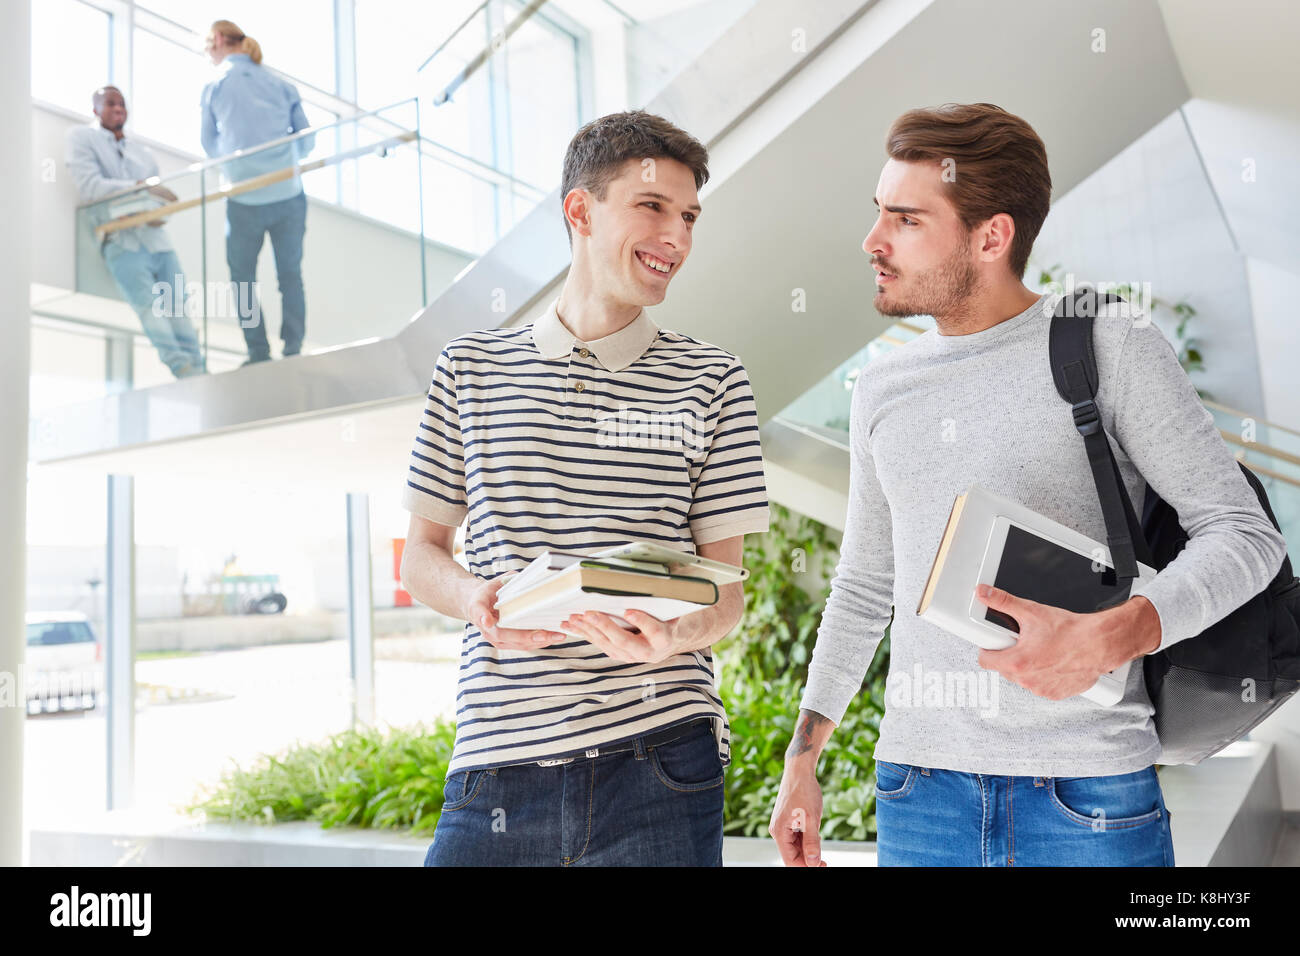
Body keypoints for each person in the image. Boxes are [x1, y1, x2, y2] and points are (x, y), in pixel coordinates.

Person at [769, 102, 1289, 868]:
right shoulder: (880, 388)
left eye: (906, 220)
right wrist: (802, 756)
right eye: (878, 212)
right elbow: (863, 584)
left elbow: (1244, 535)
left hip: (1086, 797)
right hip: (919, 794)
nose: (872, 242)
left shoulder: (1106, 343)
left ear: (991, 236)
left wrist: (1125, 629)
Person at [398, 110, 770, 866]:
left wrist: (676, 634)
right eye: (654, 207)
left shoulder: (714, 380)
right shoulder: (468, 368)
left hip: (661, 757)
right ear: (580, 211)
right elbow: (422, 556)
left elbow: (726, 594)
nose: (678, 238)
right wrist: (473, 598)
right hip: (498, 763)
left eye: (690, 217)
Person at [65, 86, 203, 380]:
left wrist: (145, 195)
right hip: (121, 242)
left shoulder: (142, 152)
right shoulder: (81, 139)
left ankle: (199, 368)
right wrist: (138, 188)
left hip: (157, 242)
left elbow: (155, 192)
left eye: (122, 105)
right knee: (149, 309)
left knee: (178, 305)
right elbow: (91, 187)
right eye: (110, 104)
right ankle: (183, 369)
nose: (118, 109)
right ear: (96, 109)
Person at [201, 19, 315, 365]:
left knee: (243, 280)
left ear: (219, 39)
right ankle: (293, 349)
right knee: (290, 275)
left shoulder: (215, 85)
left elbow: (209, 144)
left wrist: (238, 164)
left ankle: (258, 351)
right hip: (287, 193)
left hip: (244, 197)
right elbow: (307, 141)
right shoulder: (280, 84)